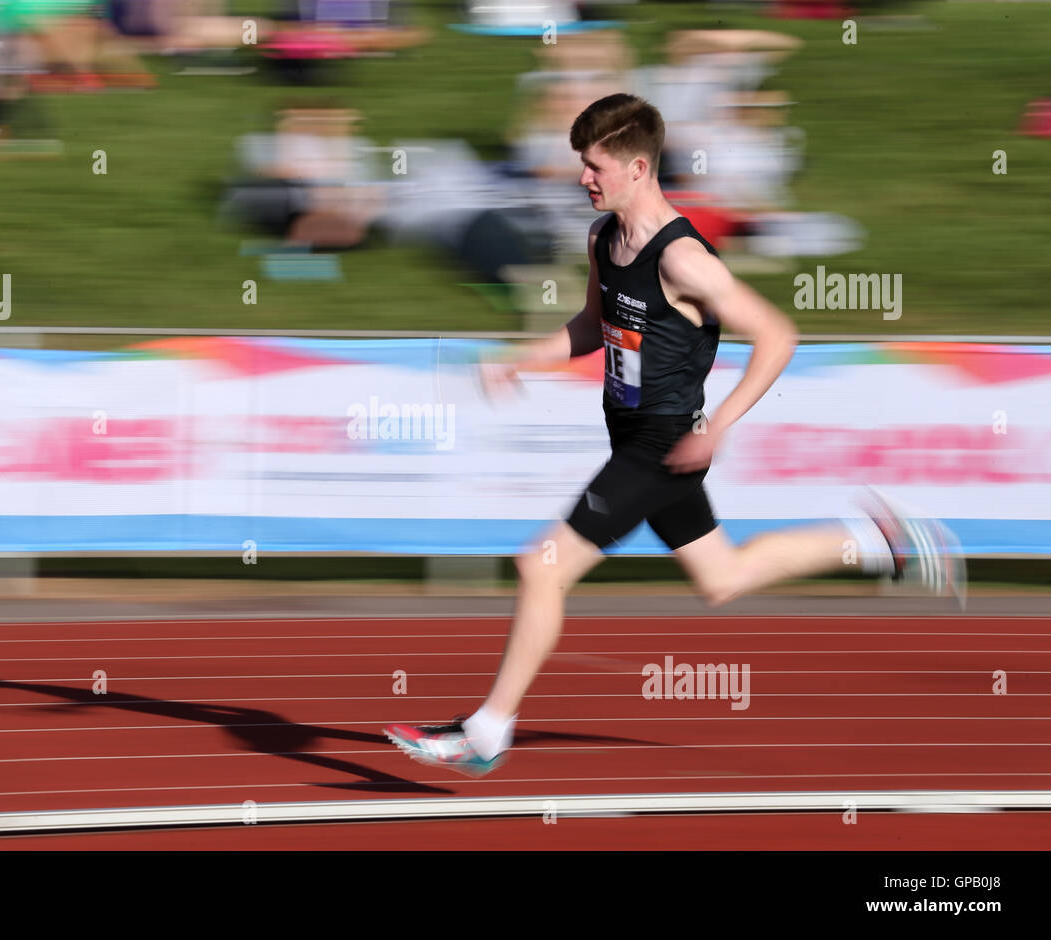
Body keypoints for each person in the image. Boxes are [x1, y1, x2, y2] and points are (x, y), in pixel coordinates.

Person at [383, 93, 964, 777]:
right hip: (633, 437)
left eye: (594, 167)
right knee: (723, 577)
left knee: (539, 568)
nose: (582, 180)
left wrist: (716, 428)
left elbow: (779, 334)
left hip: (662, 445)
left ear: (636, 167)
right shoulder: (602, 239)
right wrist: (520, 358)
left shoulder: (683, 259)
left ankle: (488, 730)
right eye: (580, 165)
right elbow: (588, 327)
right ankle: (877, 539)